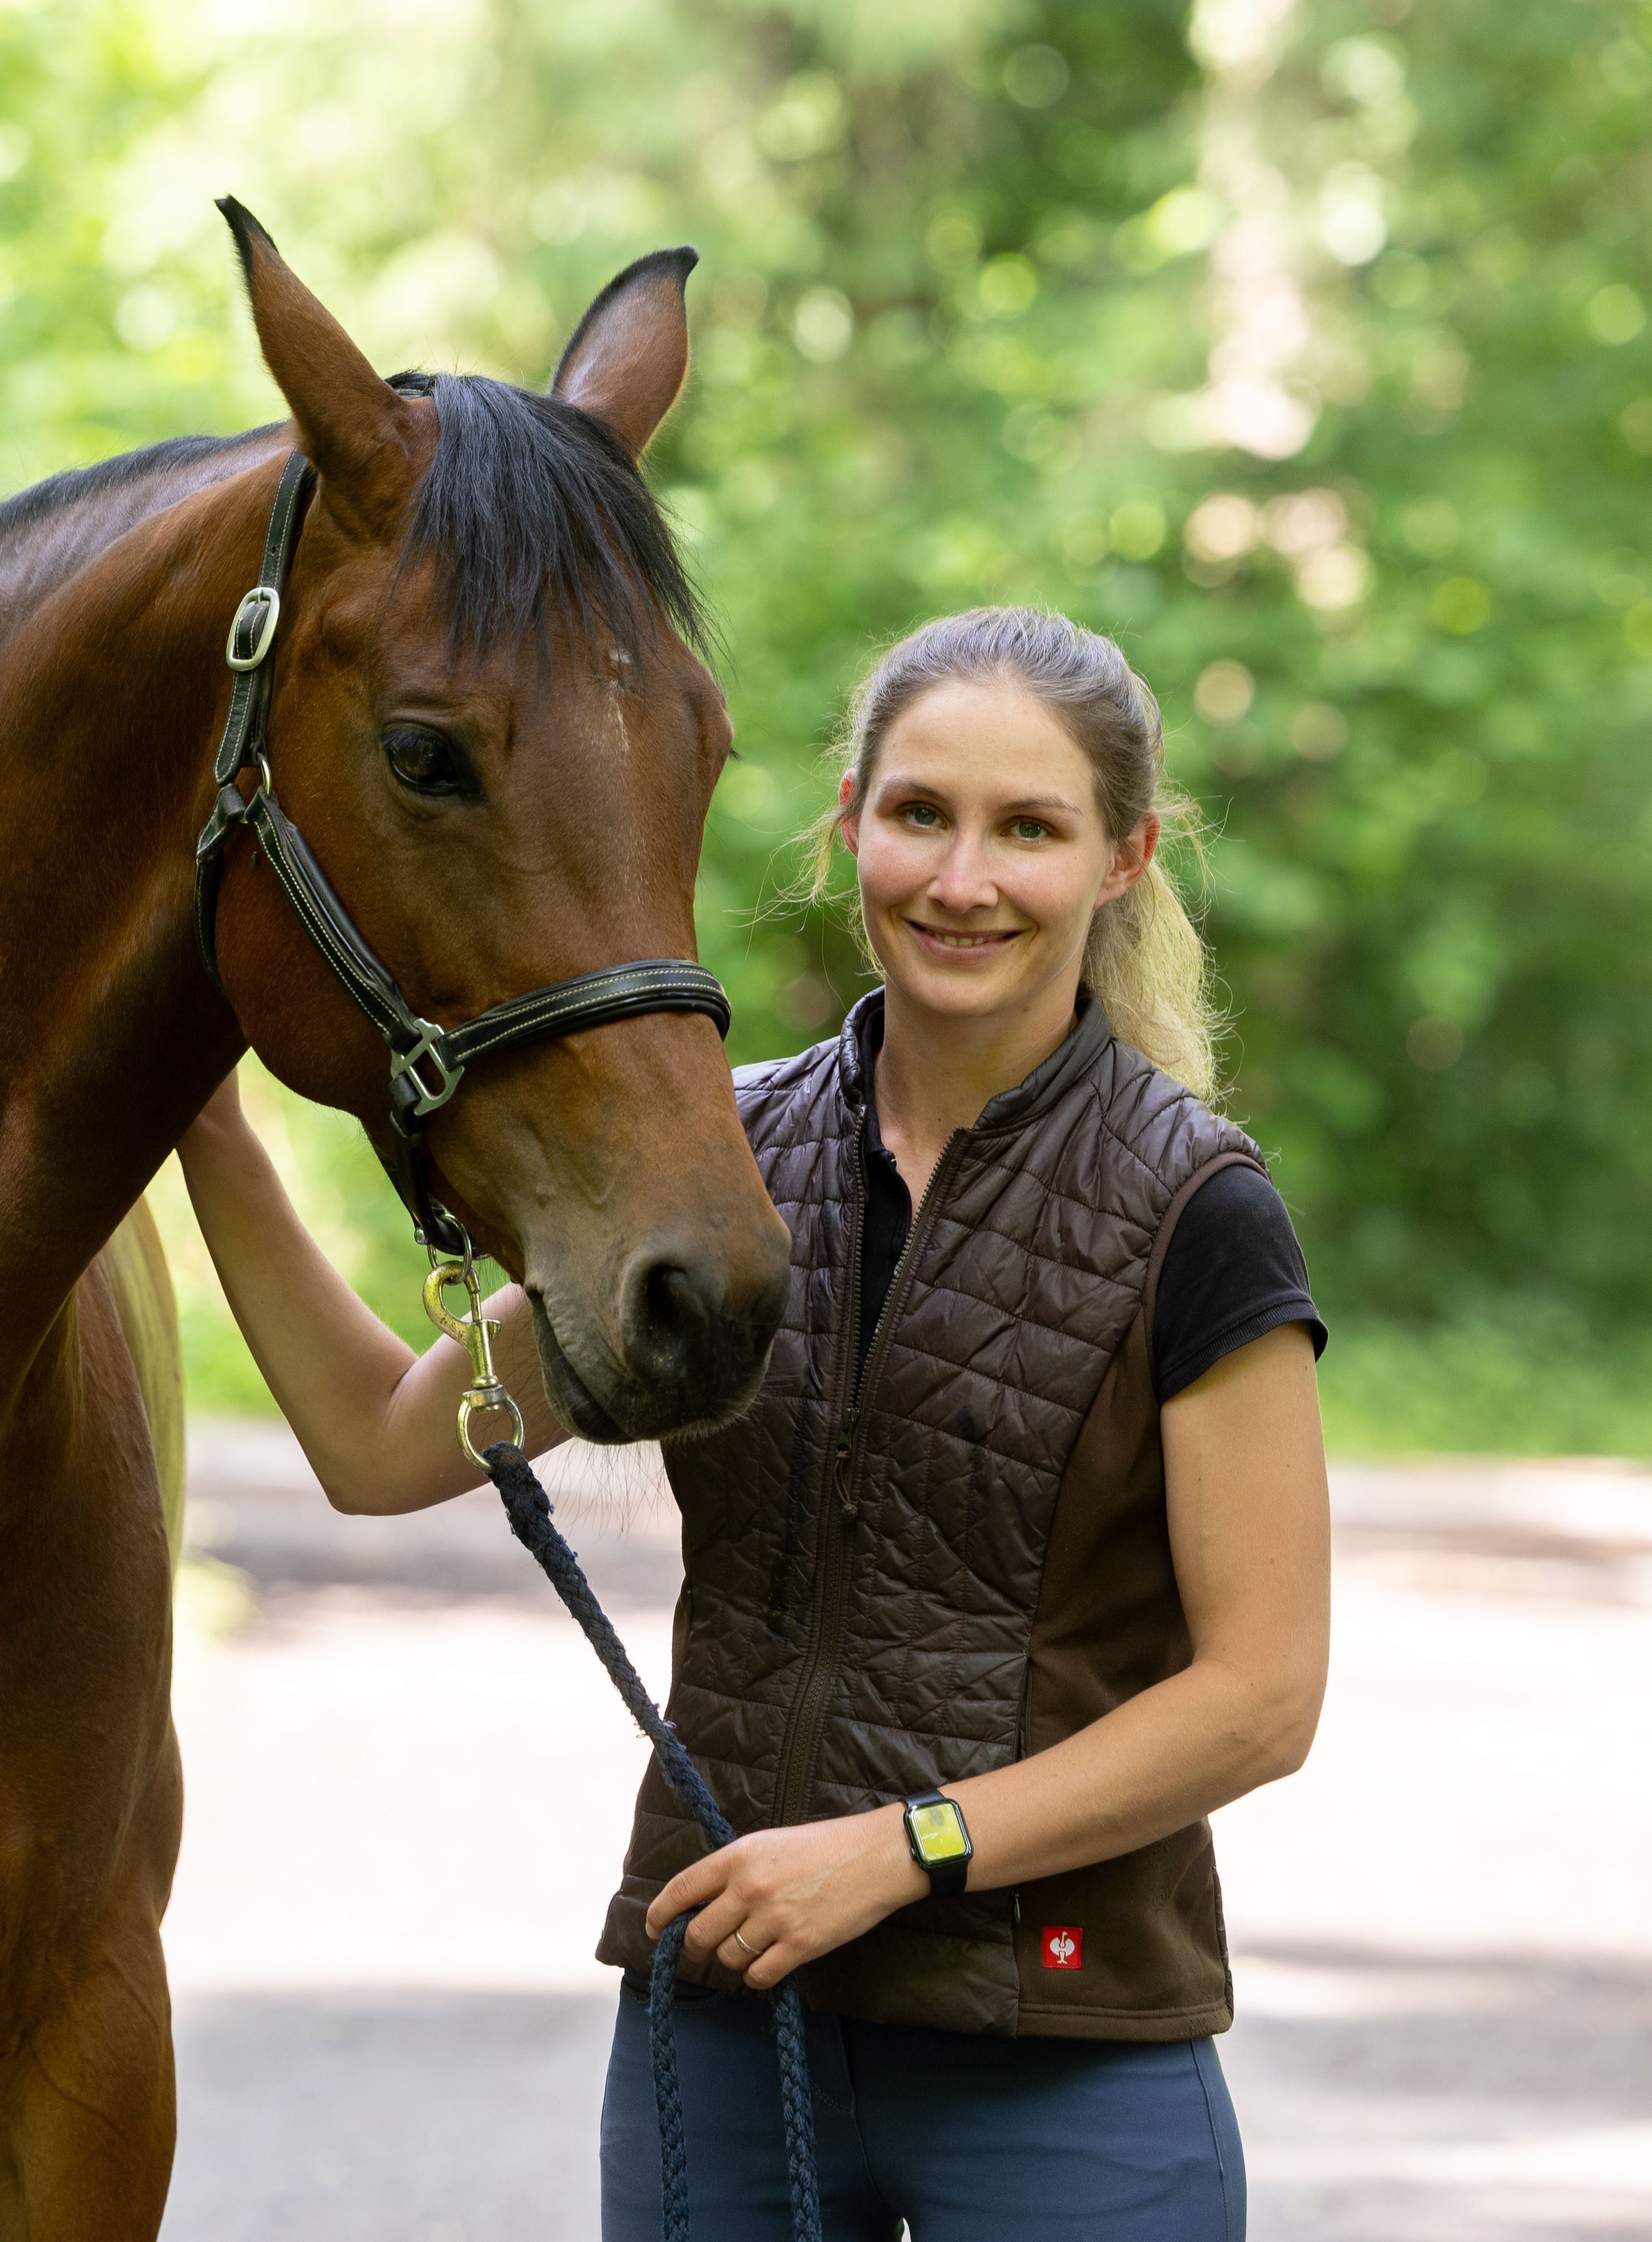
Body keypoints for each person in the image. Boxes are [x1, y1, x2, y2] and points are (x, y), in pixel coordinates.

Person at [174, 606, 1329, 2241]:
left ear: (1124, 857)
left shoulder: (1194, 1212)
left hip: (1062, 2048)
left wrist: (898, 1851)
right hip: (730, 2023)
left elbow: (1261, 1698)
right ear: (849, 819)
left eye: (1029, 829)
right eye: (921, 813)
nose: (962, 878)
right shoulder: (721, 1176)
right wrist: (209, 1125)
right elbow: (378, 1445)